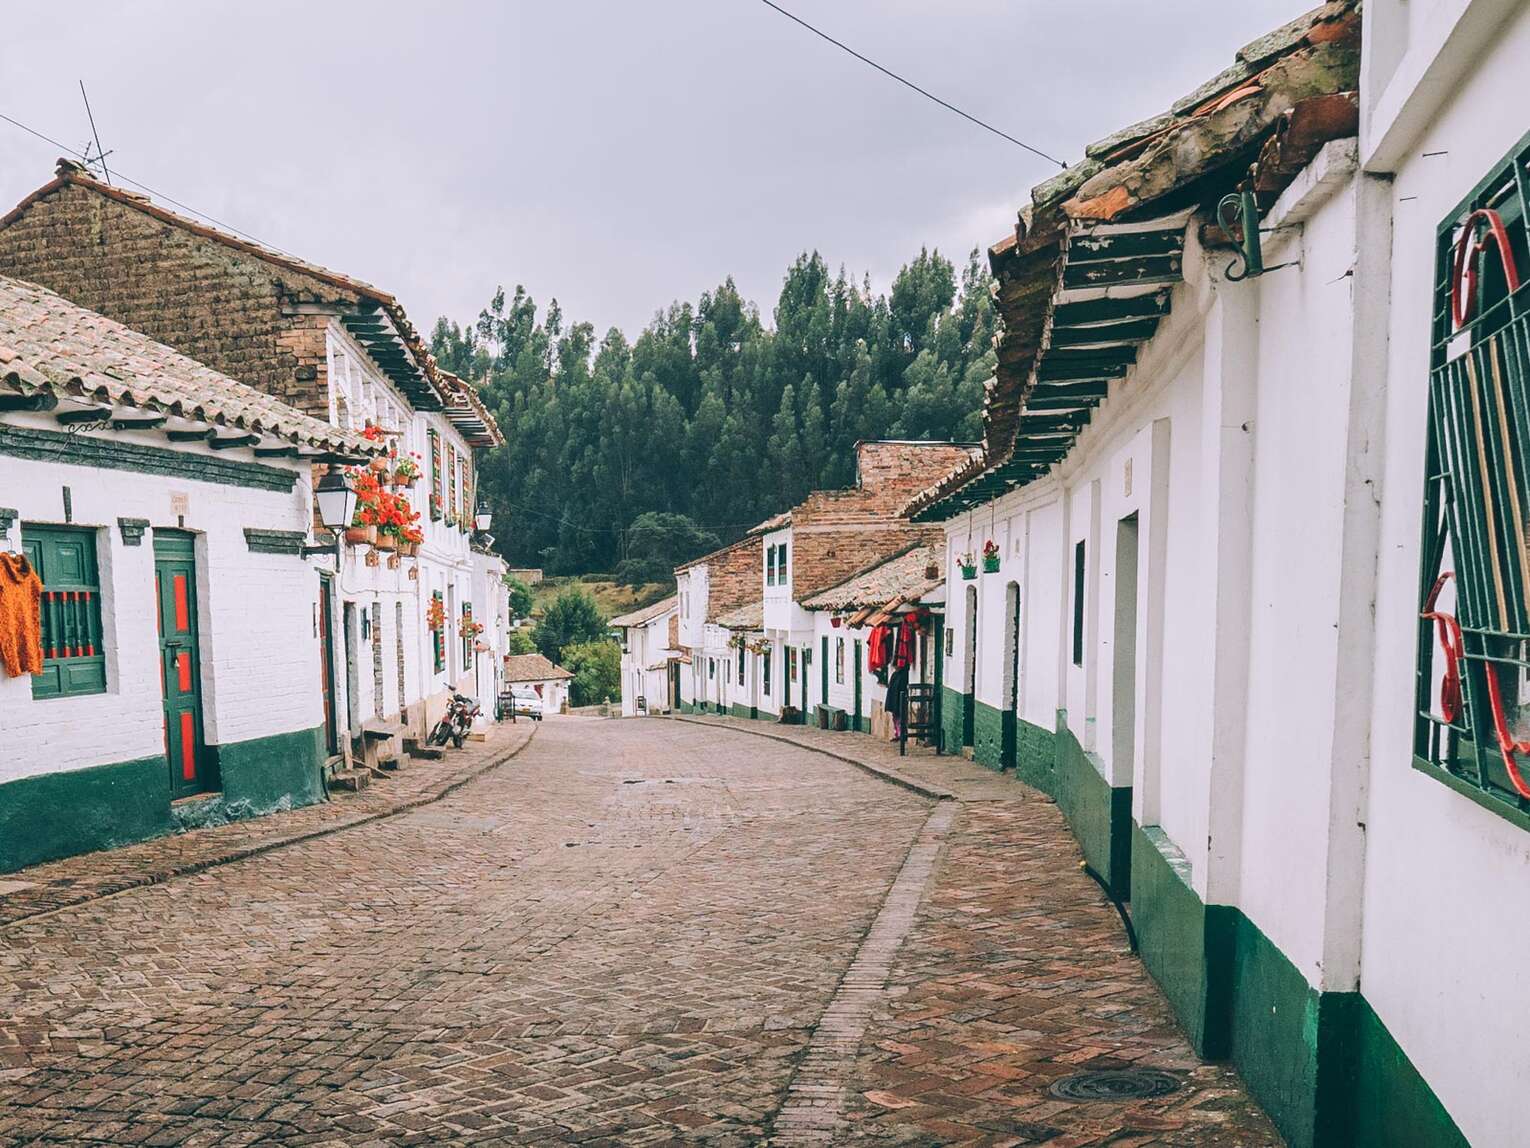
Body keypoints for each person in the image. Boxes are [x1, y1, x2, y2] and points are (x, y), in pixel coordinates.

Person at [885, 662, 909, 741]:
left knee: (901, 717)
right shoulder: (895, 675)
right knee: (895, 717)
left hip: (900, 699)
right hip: (894, 700)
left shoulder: (903, 675)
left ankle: (901, 734)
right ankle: (898, 734)